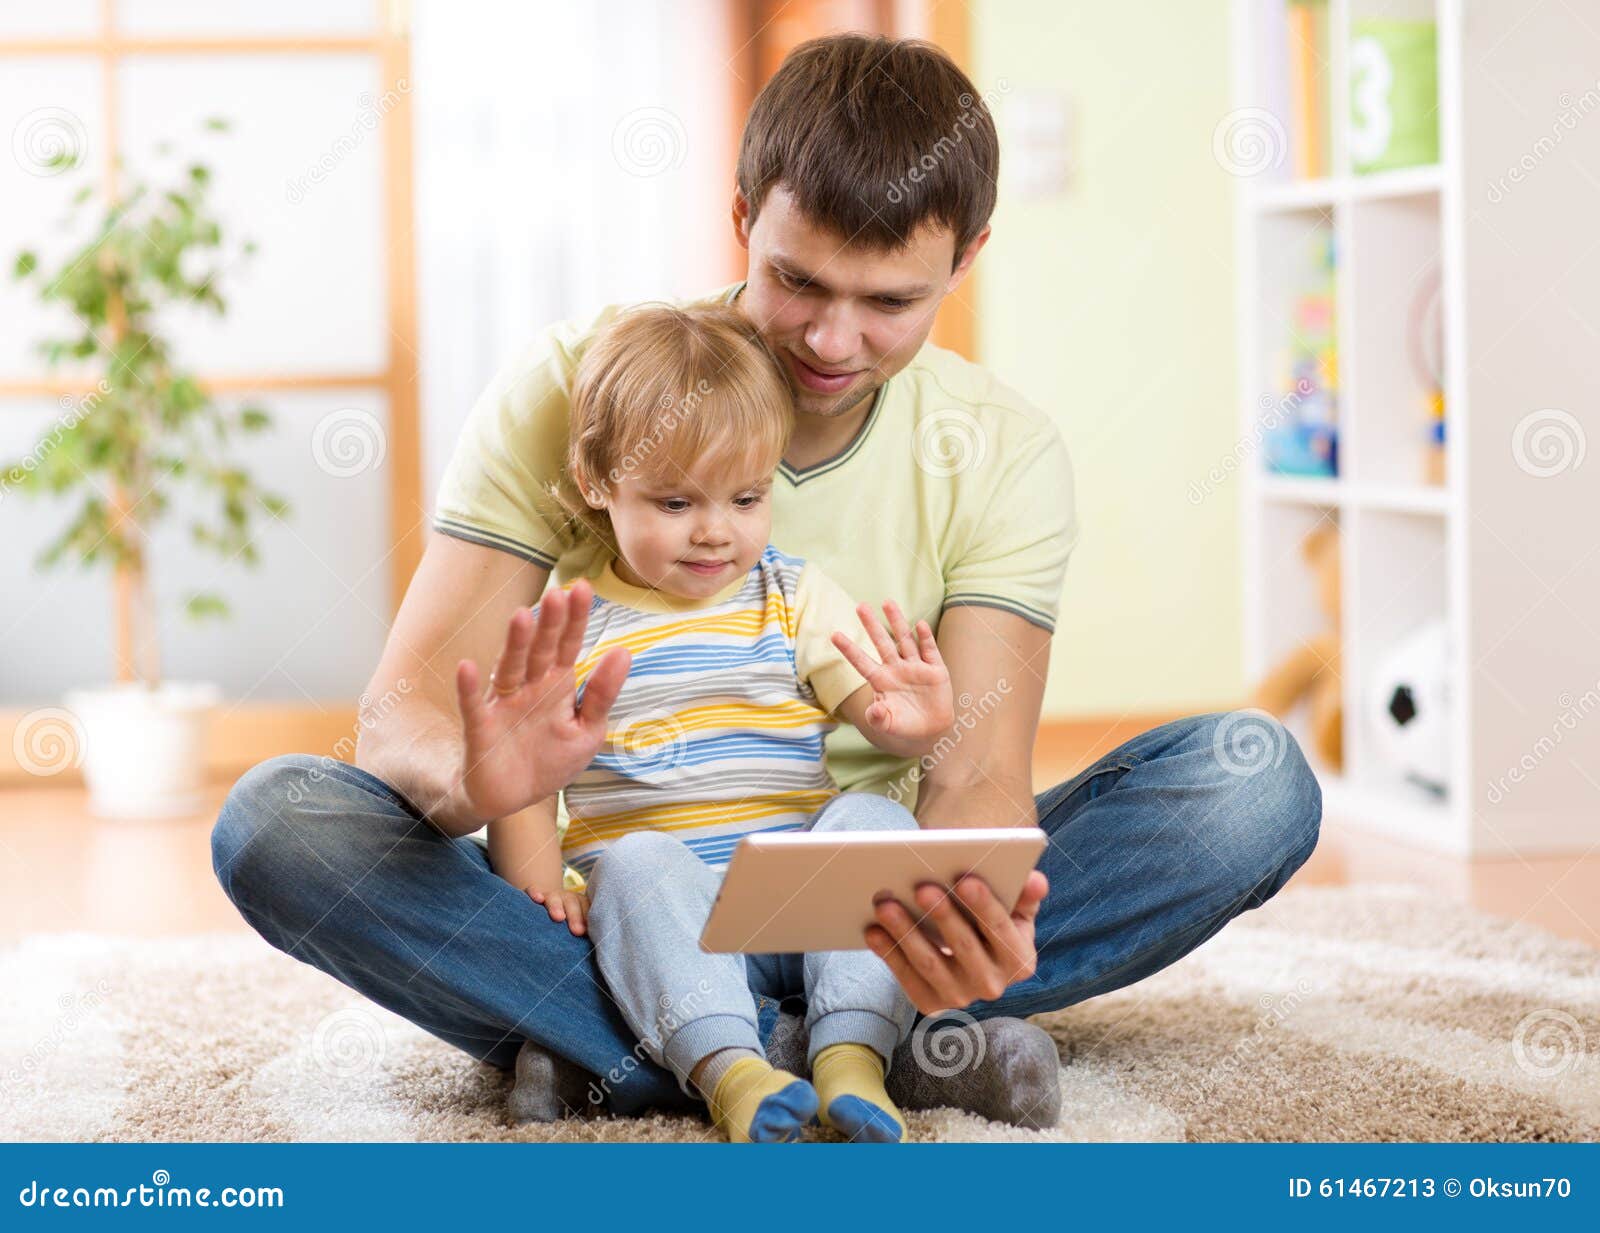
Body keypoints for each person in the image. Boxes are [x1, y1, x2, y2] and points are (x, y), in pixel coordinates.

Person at [211, 33, 1320, 1131]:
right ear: (742, 219)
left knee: (1249, 784)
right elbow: (401, 715)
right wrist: (482, 791)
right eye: (796, 280)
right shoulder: (573, 386)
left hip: (865, 894)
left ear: (966, 259)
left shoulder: (1000, 450)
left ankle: (657, 1053)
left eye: (890, 302)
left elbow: (975, 773)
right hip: (616, 893)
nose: (833, 340)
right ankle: (866, 1048)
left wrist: (973, 897)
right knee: (279, 825)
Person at [492, 301, 962, 1142]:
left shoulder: (792, 595)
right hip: (667, 927)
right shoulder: (577, 620)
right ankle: (734, 1073)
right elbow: (524, 781)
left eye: (746, 497)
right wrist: (544, 887)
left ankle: (850, 1053)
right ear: (601, 482)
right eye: (676, 503)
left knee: (878, 820)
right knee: (634, 864)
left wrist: (913, 725)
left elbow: (877, 714)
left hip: (798, 911)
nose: (716, 531)